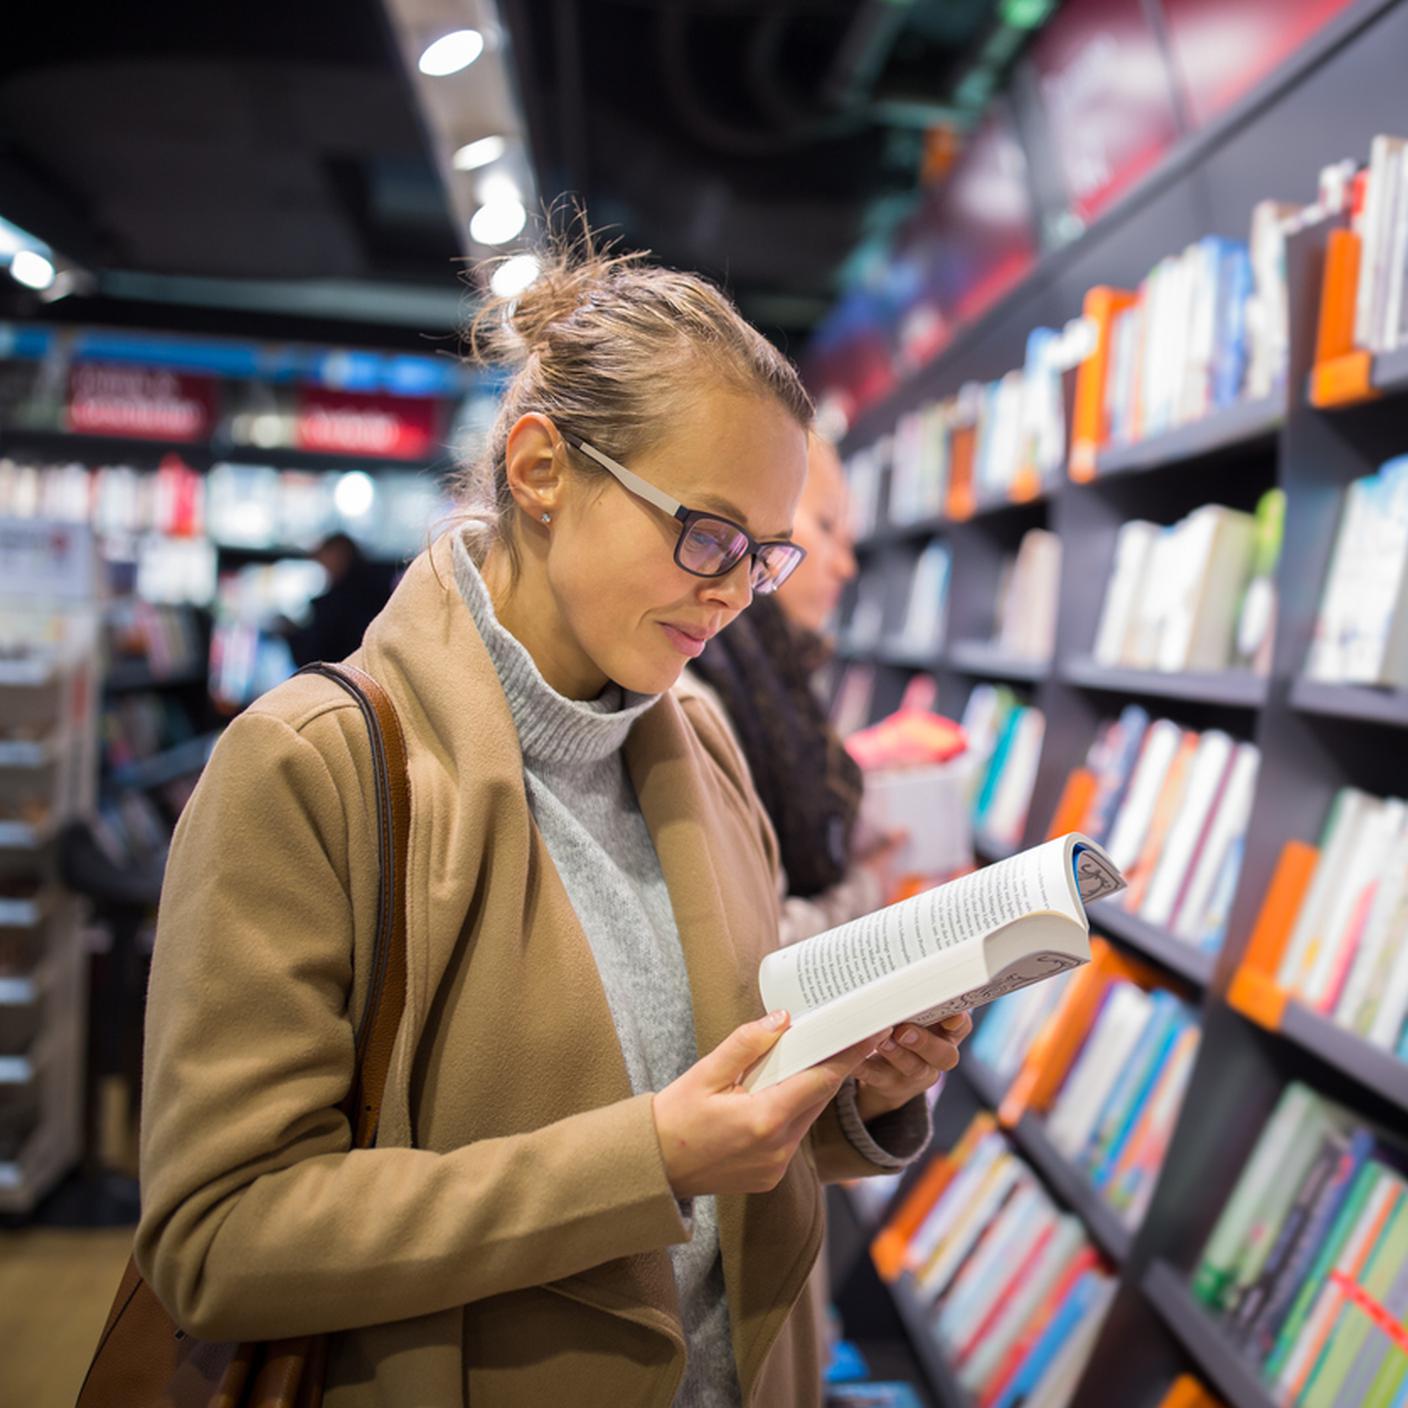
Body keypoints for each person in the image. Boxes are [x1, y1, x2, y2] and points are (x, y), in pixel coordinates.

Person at [134, 232, 969, 1408]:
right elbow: (217, 1240)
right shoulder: (310, 769)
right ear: (538, 470)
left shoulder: (702, 745)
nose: (734, 591)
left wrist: (864, 1092)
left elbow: (728, 1121)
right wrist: (652, 1158)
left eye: (764, 556)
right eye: (708, 534)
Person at [282, 531, 397, 668]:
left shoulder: (340, 603)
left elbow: (316, 658)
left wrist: (291, 634)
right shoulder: (383, 589)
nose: (324, 566)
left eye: (325, 557)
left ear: (340, 554)